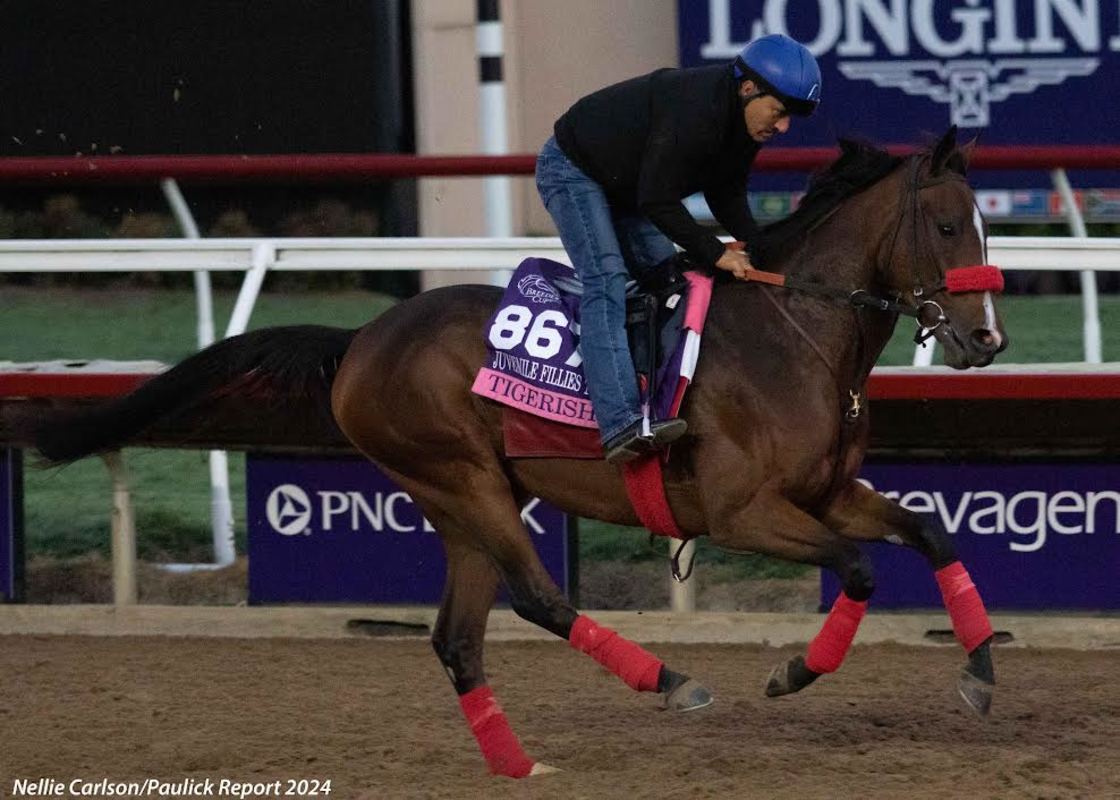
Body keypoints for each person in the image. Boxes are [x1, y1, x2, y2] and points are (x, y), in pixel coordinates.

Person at [535, 33, 822, 464]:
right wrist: (717, 253)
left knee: (669, 282)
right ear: (748, 88)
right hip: (574, 170)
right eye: (779, 112)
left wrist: (764, 247)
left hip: (628, 185)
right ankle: (618, 422)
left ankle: (658, 400)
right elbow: (657, 200)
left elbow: (726, 195)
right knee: (607, 279)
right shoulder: (695, 110)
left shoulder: (743, 123)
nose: (783, 127)